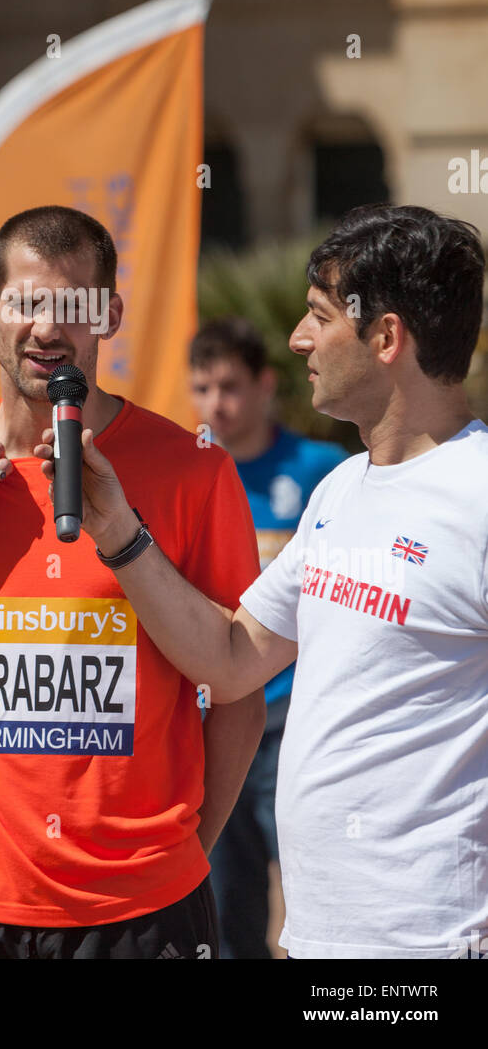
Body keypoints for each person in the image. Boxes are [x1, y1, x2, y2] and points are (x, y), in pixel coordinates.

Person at [37, 204, 488, 958]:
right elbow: (232, 657)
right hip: (321, 942)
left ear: (385, 338)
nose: (297, 339)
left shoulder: (477, 494)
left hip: (435, 948)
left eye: (318, 316)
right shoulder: (343, 488)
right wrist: (118, 530)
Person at [0, 205, 266, 959]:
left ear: (109, 315)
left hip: (142, 911)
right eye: (26, 302)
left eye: (72, 306)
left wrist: (187, 853)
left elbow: (237, 692)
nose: (47, 328)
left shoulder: (194, 471)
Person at [188, 318, 348, 958]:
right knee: (227, 905)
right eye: (200, 388)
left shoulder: (324, 472)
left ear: (265, 385)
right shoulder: (189, 474)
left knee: (315, 889)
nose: (214, 404)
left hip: (294, 718)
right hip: (215, 713)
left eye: (228, 386)